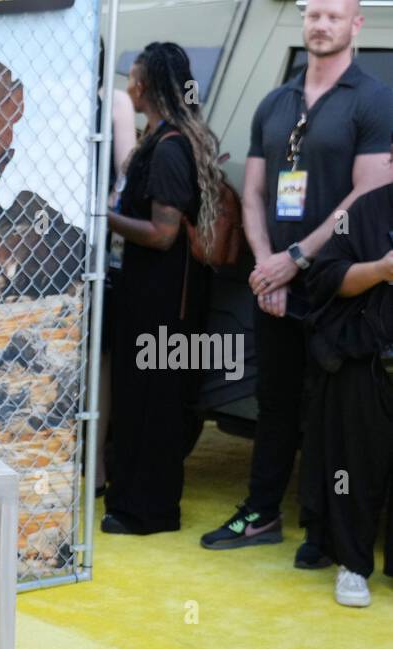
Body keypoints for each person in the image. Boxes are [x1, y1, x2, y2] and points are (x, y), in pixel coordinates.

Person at [200, 0, 393, 562]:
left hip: (343, 284)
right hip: (277, 282)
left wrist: (299, 259)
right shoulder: (275, 102)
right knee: (275, 402)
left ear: (357, 25)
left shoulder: (375, 100)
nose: (320, 24)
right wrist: (267, 266)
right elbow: (256, 191)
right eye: (312, 14)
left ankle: (321, 527)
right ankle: (262, 513)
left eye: (334, 16)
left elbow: (368, 197)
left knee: (332, 414)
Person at [102, 42, 218, 534]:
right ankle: (138, 503)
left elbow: (164, 233)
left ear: (145, 86)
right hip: (158, 298)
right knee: (149, 401)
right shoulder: (167, 138)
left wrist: (102, 218)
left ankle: (148, 511)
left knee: (152, 404)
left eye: (134, 77)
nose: (129, 84)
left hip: (164, 303)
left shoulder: (170, 148)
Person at [300, 165, 393, 606]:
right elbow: (326, 278)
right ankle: (352, 565)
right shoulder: (363, 211)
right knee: (354, 468)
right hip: (366, 359)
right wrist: (379, 269)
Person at [95, 36, 137, 496]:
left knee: (99, 357)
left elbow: (125, 169)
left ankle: (97, 465)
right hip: (86, 236)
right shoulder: (115, 101)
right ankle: (96, 467)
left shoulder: (114, 101)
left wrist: (105, 211)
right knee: (97, 358)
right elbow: (127, 169)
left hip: (93, 241)